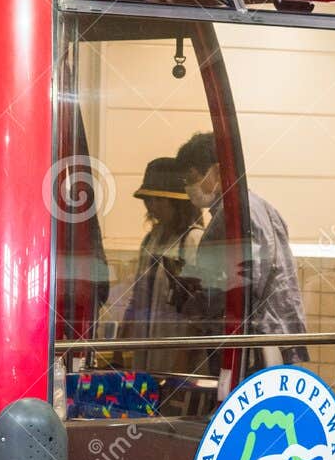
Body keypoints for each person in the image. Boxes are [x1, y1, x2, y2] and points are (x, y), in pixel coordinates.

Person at [174, 132, 309, 364]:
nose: (189, 188)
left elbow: (242, 283)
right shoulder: (261, 207)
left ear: (218, 170)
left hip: (253, 342)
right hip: (277, 334)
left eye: (193, 178)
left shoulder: (233, 215)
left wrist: (195, 303)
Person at [118, 157, 205, 373]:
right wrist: (120, 342)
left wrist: (182, 360)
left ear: (177, 202)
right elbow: (139, 295)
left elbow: (198, 311)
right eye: (149, 199)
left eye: (158, 200)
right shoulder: (151, 240)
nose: (151, 206)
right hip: (146, 353)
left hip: (177, 355)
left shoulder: (192, 240)